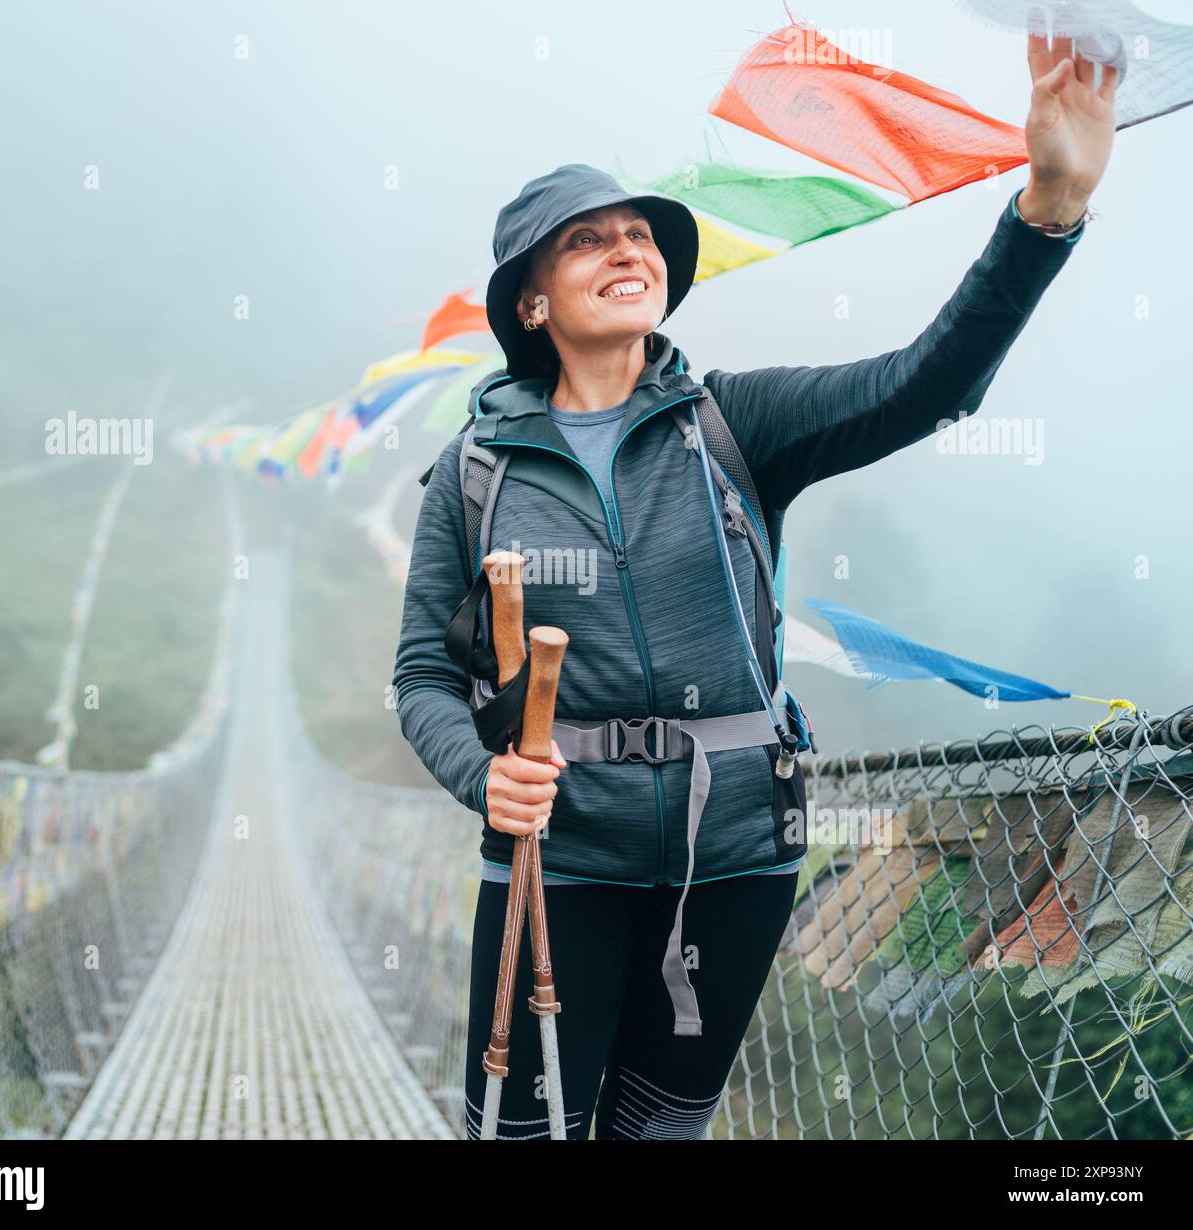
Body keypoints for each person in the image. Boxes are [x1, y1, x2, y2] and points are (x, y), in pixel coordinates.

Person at [392, 33, 1115, 1140]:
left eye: (638, 234)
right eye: (585, 242)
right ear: (530, 304)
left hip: (733, 860)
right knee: (518, 1132)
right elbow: (421, 678)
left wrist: (1047, 208)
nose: (624, 247)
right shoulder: (470, 476)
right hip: (558, 860)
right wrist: (478, 776)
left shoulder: (732, 423)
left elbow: (928, 385)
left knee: (660, 1127)